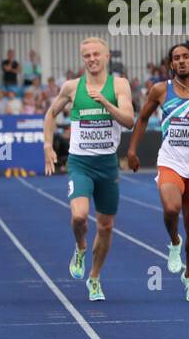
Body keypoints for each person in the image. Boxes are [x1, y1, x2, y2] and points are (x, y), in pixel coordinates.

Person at [42, 37, 135, 300]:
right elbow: (50, 114)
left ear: (107, 57)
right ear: (82, 59)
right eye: (87, 56)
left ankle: (94, 277)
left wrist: (105, 102)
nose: (92, 59)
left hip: (107, 165)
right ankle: (81, 246)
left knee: (105, 227)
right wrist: (47, 145)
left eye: (96, 54)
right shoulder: (72, 87)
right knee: (79, 217)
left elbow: (128, 120)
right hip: (80, 163)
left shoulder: (119, 85)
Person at [127, 43, 189, 302]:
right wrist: (132, 150)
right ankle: (174, 242)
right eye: (176, 58)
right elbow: (142, 118)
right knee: (170, 209)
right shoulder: (160, 90)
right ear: (171, 64)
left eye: (185, 57)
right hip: (170, 161)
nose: (181, 61)